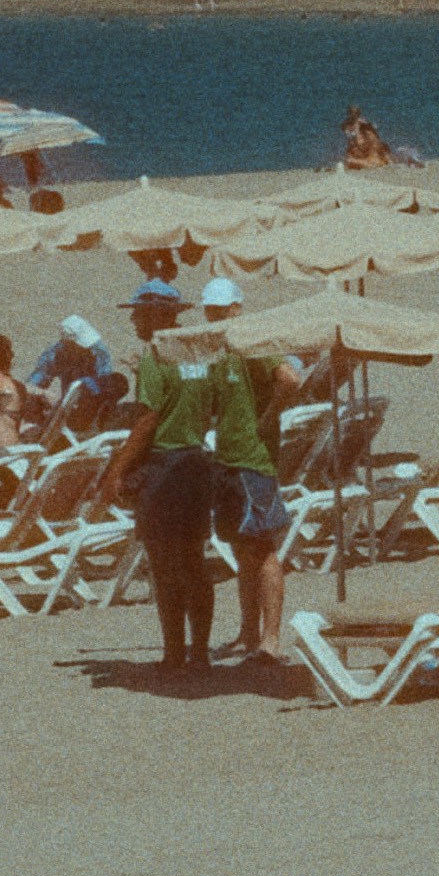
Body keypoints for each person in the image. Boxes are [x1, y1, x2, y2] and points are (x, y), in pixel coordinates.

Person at [101, 276, 221, 678]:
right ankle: (200, 653)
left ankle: (174, 654)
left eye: (139, 312)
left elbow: (148, 419)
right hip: (197, 462)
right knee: (194, 562)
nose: (134, 320)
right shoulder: (201, 354)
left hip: (166, 465)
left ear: (156, 314)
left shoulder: (156, 355)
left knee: (164, 565)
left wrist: (117, 470)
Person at [196, 275, 302, 666]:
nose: (215, 316)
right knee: (243, 549)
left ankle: (270, 639)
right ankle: (248, 632)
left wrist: (268, 418)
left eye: (221, 310)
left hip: (252, 462)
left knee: (262, 546)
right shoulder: (222, 350)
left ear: (237, 309)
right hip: (228, 459)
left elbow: (290, 378)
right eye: (211, 310)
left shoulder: (254, 342)